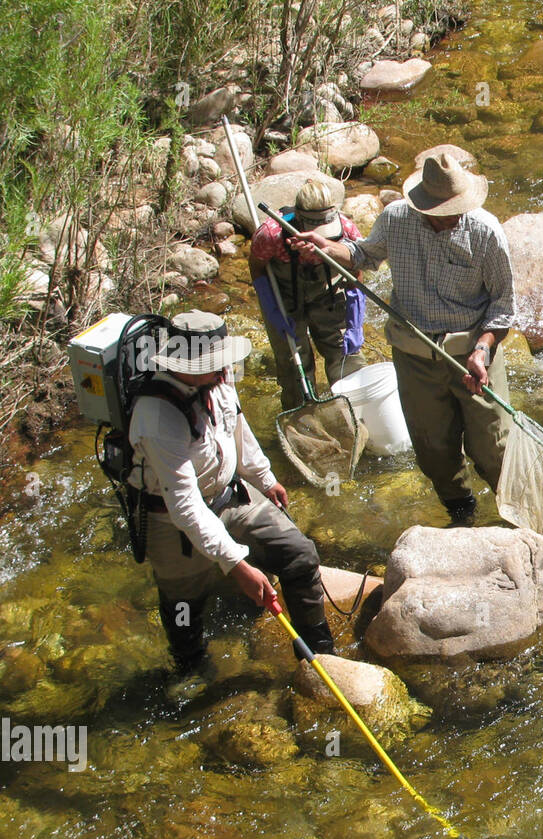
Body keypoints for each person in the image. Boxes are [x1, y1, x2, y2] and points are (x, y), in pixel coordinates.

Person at [290, 150, 515, 527]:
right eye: (443, 211)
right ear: (423, 205)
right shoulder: (396, 219)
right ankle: (461, 513)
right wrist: (329, 249)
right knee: (432, 449)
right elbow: (364, 254)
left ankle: (515, 517)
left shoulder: (486, 231)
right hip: (413, 354)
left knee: (495, 446)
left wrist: (482, 349)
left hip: (473, 354)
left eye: (457, 209)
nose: (452, 217)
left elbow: (504, 307)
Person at [128, 310, 335, 673]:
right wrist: (237, 565)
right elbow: (186, 507)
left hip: (230, 493)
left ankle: (318, 657)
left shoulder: (218, 379)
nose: (226, 371)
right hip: (171, 520)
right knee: (184, 605)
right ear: (184, 364)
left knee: (300, 554)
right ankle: (190, 669)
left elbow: (237, 426)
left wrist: (265, 478)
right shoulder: (157, 416)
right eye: (215, 365)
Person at [250, 177, 366, 411]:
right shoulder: (271, 234)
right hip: (285, 300)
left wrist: (356, 316)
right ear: (299, 219)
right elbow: (257, 266)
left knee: (346, 357)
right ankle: (302, 412)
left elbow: (356, 270)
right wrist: (271, 307)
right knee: (295, 367)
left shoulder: (347, 230)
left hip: (330, 297)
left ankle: (355, 411)